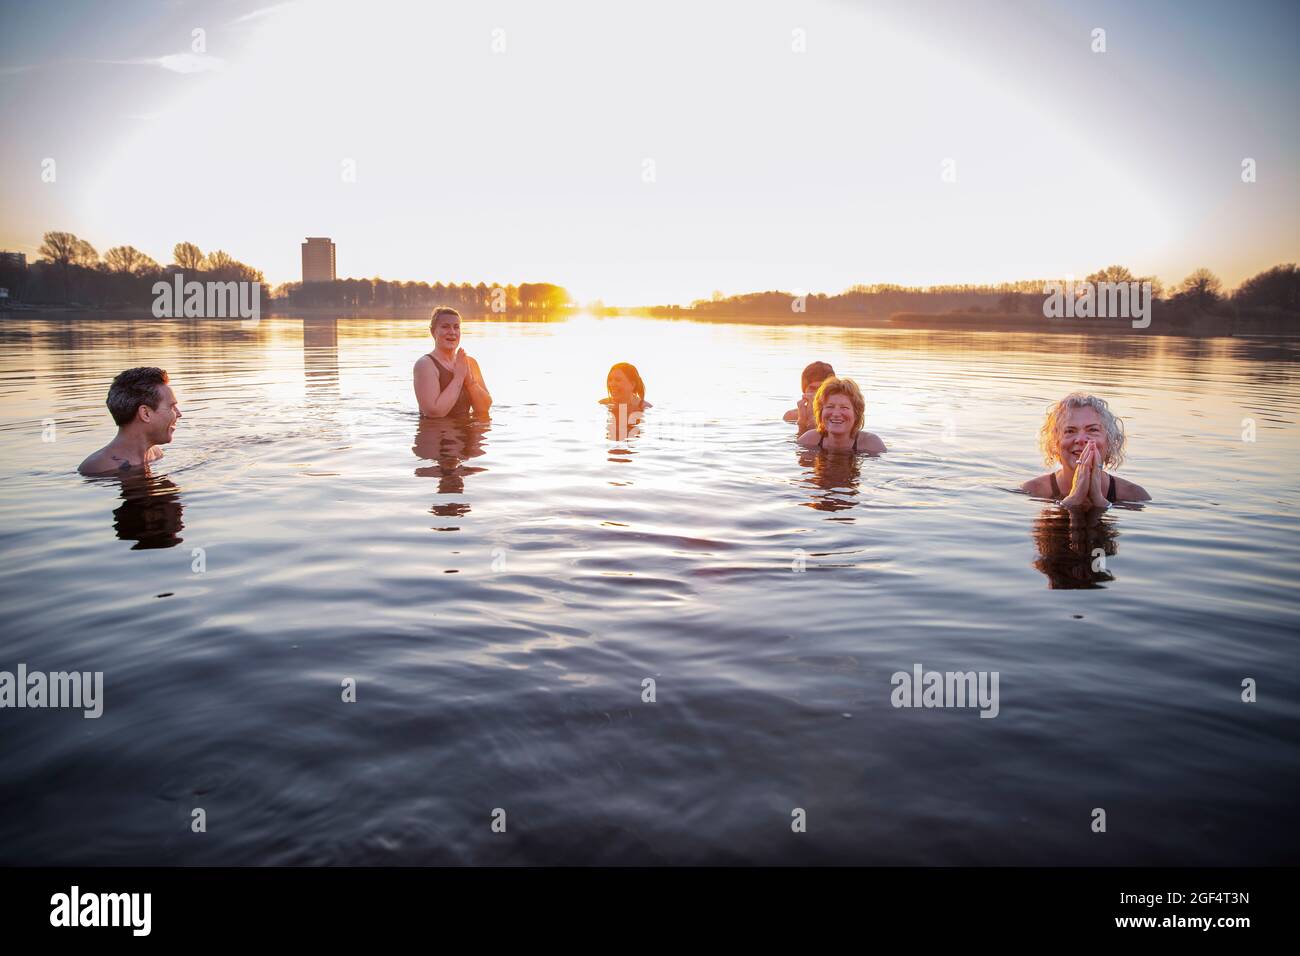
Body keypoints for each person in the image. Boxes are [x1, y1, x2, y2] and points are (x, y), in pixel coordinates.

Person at [1021, 392, 1149, 506]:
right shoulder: (1032, 491)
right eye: (1070, 431)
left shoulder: (1135, 496)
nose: (1081, 439)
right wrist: (1073, 500)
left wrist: (1100, 502)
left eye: (1093, 430)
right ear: (1056, 442)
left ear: (1109, 440)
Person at [78, 367, 182, 475]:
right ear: (145, 413)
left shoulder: (157, 455)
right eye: (171, 407)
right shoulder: (97, 468)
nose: (179, 414)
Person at [414, 307, 492, 418]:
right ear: (433, 332)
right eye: (445, 327)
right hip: (437, 433)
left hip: (466, 431)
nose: (452, 332)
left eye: (456, 327)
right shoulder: (425, 364)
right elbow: (434, 413)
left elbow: (484, 408)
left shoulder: (470, 362)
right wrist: (459, 377)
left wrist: (469, 380)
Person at [798, 377, 886, 453]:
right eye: (830, 406)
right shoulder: (808, 440)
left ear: (856, 413)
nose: (836, 414)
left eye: (844, 407)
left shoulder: (872, 444)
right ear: (821, 412)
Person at [784, 361, 834, 432]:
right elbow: (799, 442)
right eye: (813, 388)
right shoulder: (790, 416)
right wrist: (802, 420)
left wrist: (812, 418)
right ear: (804, 390)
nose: (817, 393)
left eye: (822, 388)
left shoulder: (838, 416)